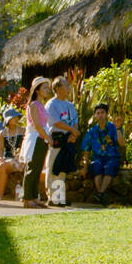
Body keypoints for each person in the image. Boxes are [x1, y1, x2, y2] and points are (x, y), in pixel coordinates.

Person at [44, 76, 79, 207]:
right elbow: (55, 121)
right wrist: (72, 130)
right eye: (66, 85)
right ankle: (52, 196)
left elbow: (75, 121)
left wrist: (73, 134)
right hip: (57, 138)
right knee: (54, 167)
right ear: (57, 88)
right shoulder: (52, 104)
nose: (69, 87)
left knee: (63, 168)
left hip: (69, 139)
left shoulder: (70, 105)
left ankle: (60, 197)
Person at [20, 78, 54, 208]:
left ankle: (34, 197)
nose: (47, 90)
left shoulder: (41, 105)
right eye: (44, 87)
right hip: (36, 138)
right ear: (37, 90)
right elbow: (37, 125)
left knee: (38, 168)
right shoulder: (34, 105)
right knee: (32, 168)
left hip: (42, 138)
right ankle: (27, 198)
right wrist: (48, 138)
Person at [80, 103, 122, 206]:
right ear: (95, 115)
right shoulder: (91, 131)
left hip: (112, 157)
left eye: (103, 113)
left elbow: (122, 143)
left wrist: (118, 129)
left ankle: (99, 194)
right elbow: (86, 150)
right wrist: (84, 167)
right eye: (98, 113)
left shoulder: (113, 127)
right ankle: (101, 194)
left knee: (109, 166)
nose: (100, 115)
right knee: (96, 166)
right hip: (98, 158)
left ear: (107, 114)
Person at [0, 109, 26, 201]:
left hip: (18, 157)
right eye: (13, 117)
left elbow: (24, 145)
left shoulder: (22, 130)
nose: (16, 119)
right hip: (6, 156)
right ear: (8, 120)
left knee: (2, 167)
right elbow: (0, 149)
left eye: (16, 117)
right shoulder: (3, 132)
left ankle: (0, 194)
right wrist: (0, 157)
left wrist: (20, 154)